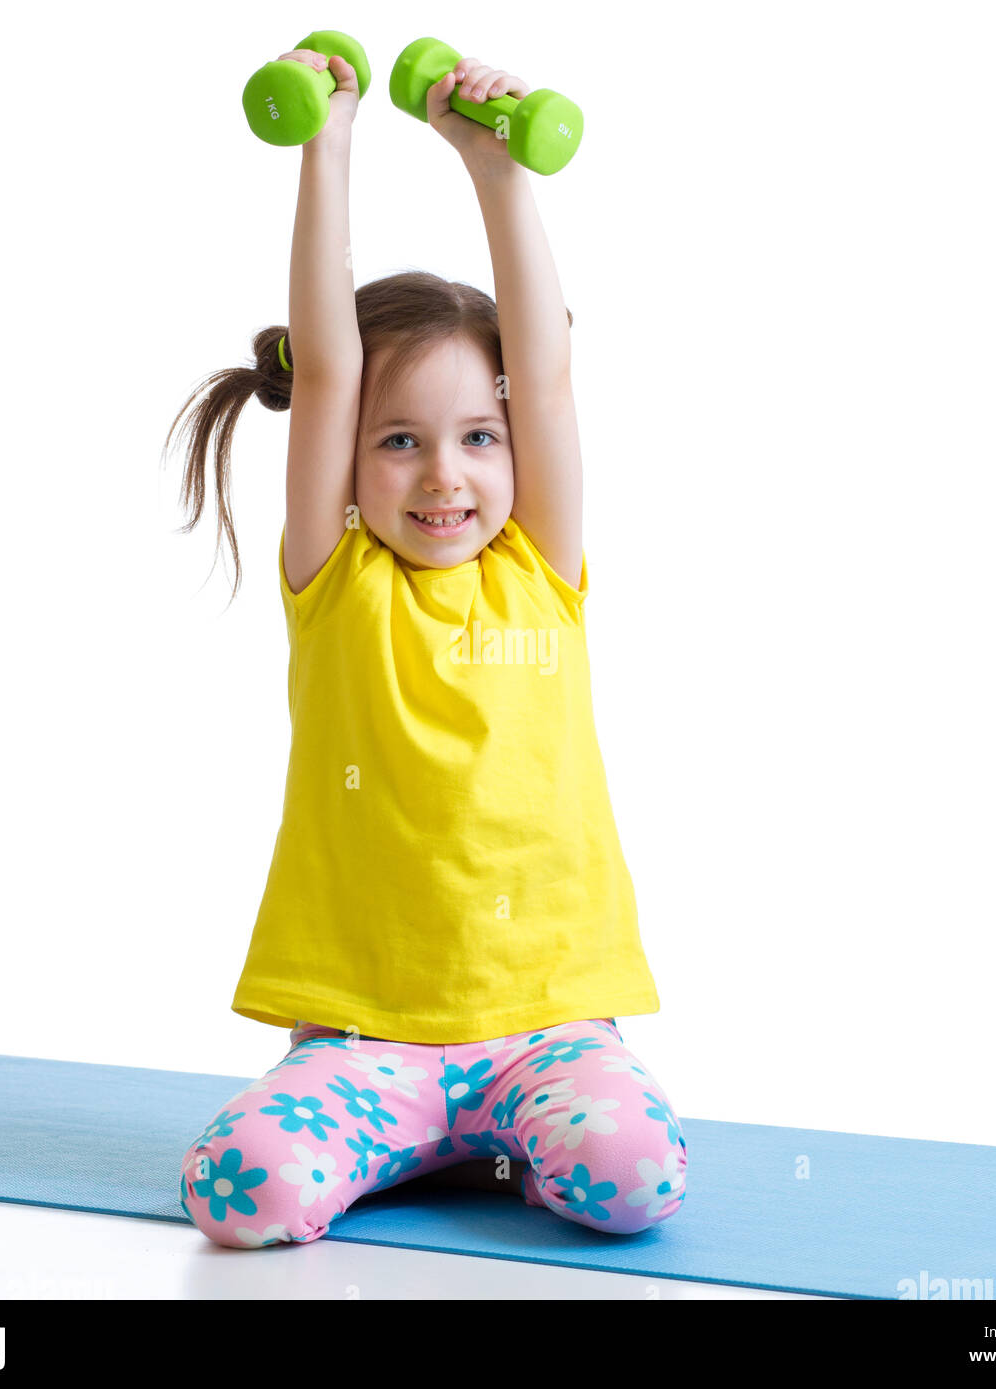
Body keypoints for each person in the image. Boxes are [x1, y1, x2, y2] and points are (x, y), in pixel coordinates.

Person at [166, 43, 686, 1246]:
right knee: (239, 1200)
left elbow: (547, 380)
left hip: (547, 1025)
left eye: (475, 437)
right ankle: (411, 1140)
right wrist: (326, 147)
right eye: (398, 442)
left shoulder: (539, 571)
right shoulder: (333, 580)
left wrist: (496, 172)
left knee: (632, 1182)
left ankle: (501, 1138)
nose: (443, 475)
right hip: (365, 1036)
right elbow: (332, 357)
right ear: (347, 460)